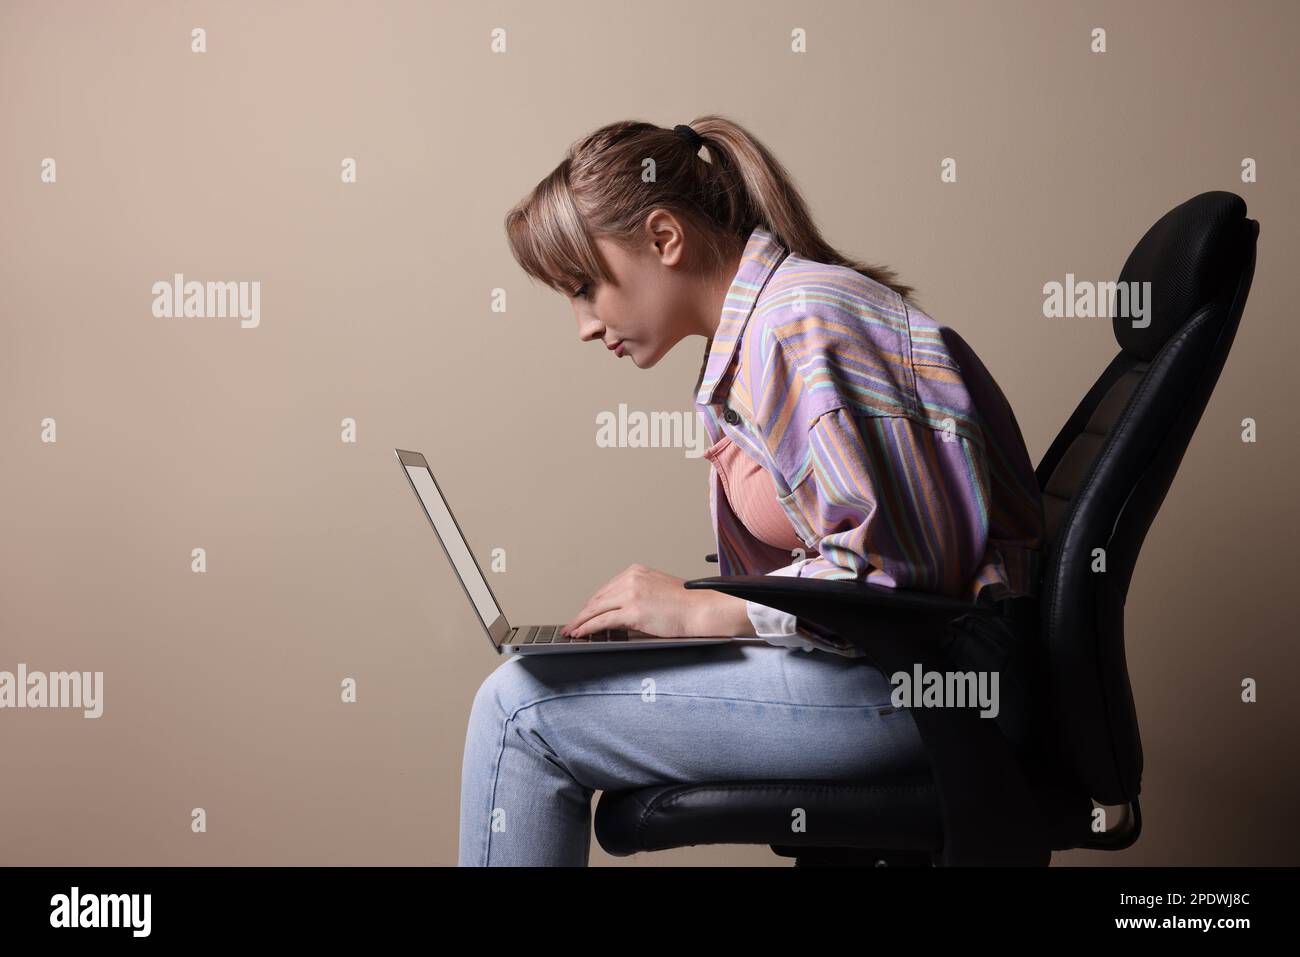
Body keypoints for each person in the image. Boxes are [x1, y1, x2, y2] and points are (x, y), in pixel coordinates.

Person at [458, 115, 1045, 866]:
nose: (581, 324)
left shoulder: (800, 328)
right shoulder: (764, 334)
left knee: (518, 709)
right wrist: (689, 621)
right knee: (527, 686)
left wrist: (703, 607)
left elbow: (904, 582)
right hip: (884, 667)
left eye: (584, 286)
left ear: (663, 237)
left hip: (933, 688)